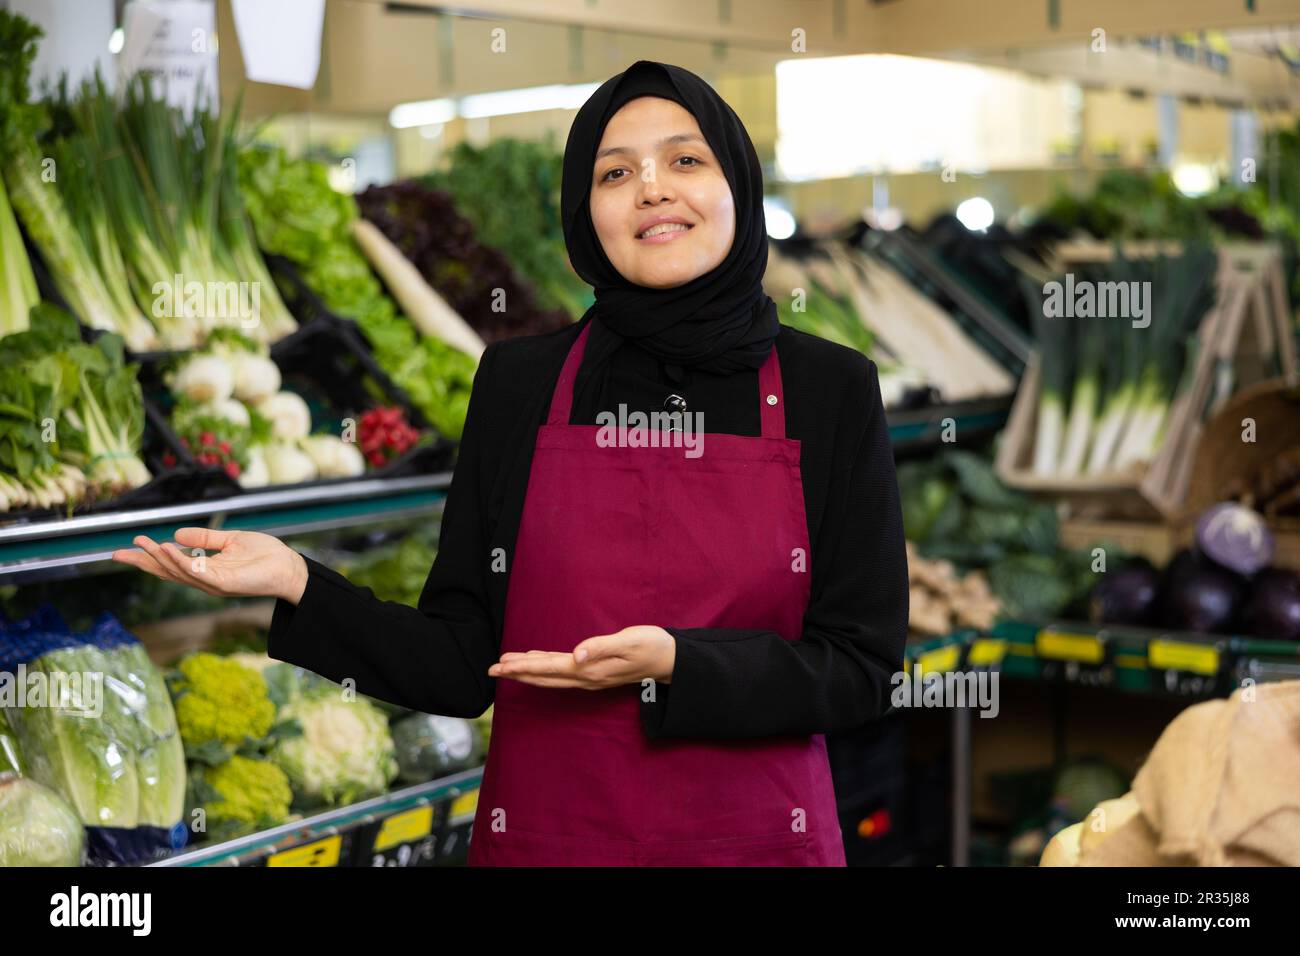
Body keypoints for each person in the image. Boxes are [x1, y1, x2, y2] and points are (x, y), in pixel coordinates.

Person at [113, 60, 909, 867]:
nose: (652, 189)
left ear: (737, 183)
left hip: (756, 846)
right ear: (582, 212)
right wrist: (298, 581)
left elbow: (861, 668)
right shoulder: (521, 382)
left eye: (685, 160)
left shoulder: (830, 389)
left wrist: (681, 663)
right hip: (548, 842)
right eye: (615, 172)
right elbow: (463, 662)